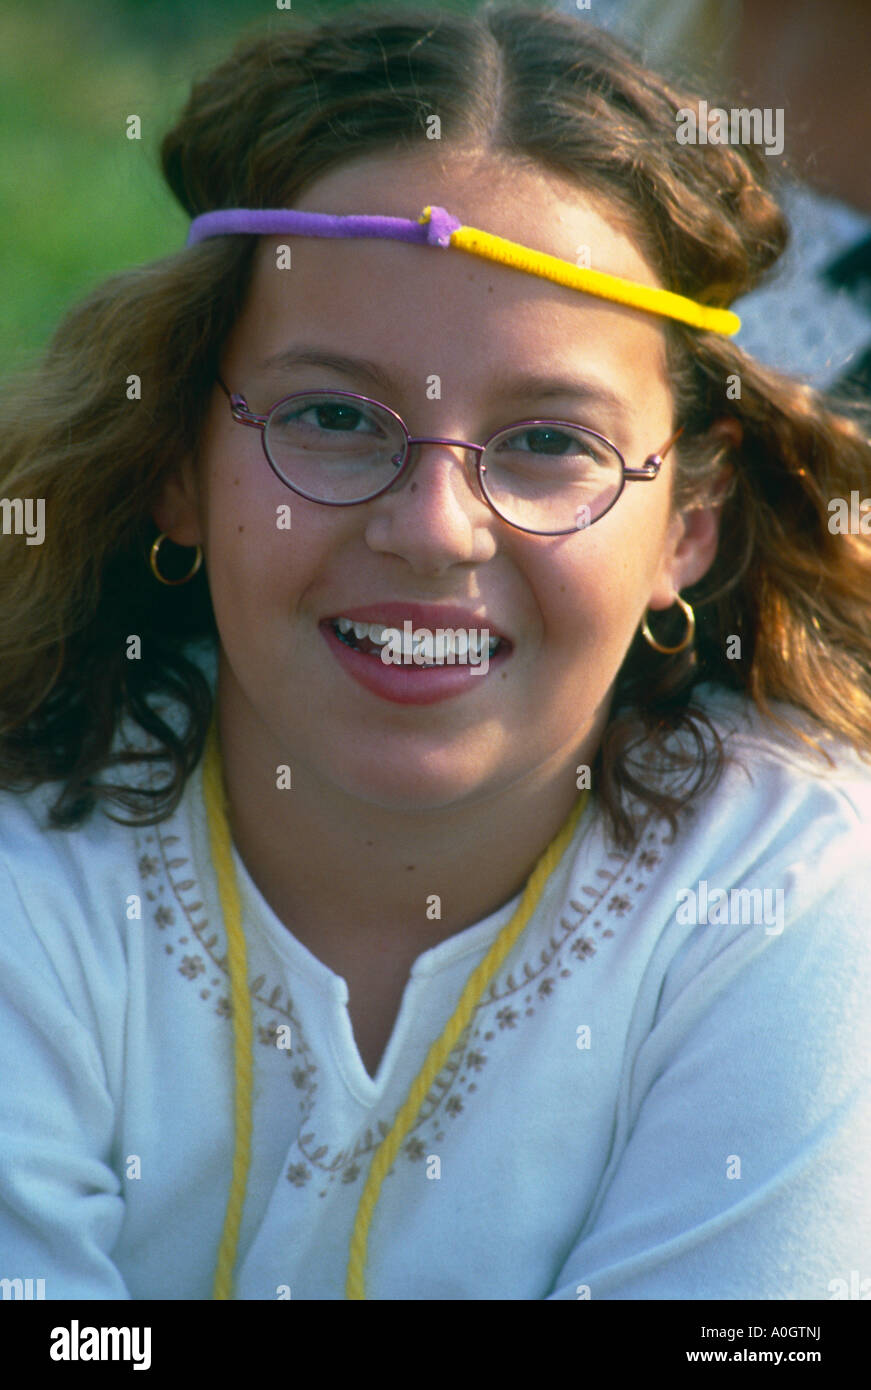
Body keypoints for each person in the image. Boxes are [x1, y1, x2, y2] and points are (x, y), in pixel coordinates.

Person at [1, 1, 869, 1302]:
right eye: (335, 416)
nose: (432, 528)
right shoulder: (39, 865)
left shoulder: (790, 892)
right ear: (182, 462)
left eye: (549, 442)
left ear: (688, 523)